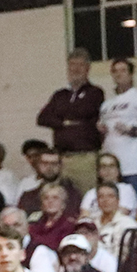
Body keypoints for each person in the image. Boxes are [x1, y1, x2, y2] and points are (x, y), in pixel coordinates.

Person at [38, 49, 105, 192]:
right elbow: (42, 118)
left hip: (84, 158)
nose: (76, 69)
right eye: (72, 65)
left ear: (88, 68)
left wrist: (61, 115)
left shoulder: (95, 92)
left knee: (86, 195)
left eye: (80, 65)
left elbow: (85, 111)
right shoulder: (60, 95)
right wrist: (63, 123)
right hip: (61, 158)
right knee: (60, 195)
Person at [97, 59, 137, 205]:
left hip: (135, 165)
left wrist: (131, 130)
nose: (119, 74)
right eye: (115, 71)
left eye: (123, 70)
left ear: (131, 74)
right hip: (112, 168)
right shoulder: (106, 105)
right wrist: (101, 131)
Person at [16, 152, 83, 220]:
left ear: (60, 166)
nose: (49, 167)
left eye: (54, 163)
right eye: (45, 163)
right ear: (38, 165)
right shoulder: (28, 197)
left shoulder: (73, 195)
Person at [26, 185, 77, 254]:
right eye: (46, 198)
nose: (50, 201)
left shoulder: (69, 225)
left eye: (55, 198)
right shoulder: (35, 224)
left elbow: (58, 246)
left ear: (63, 204)